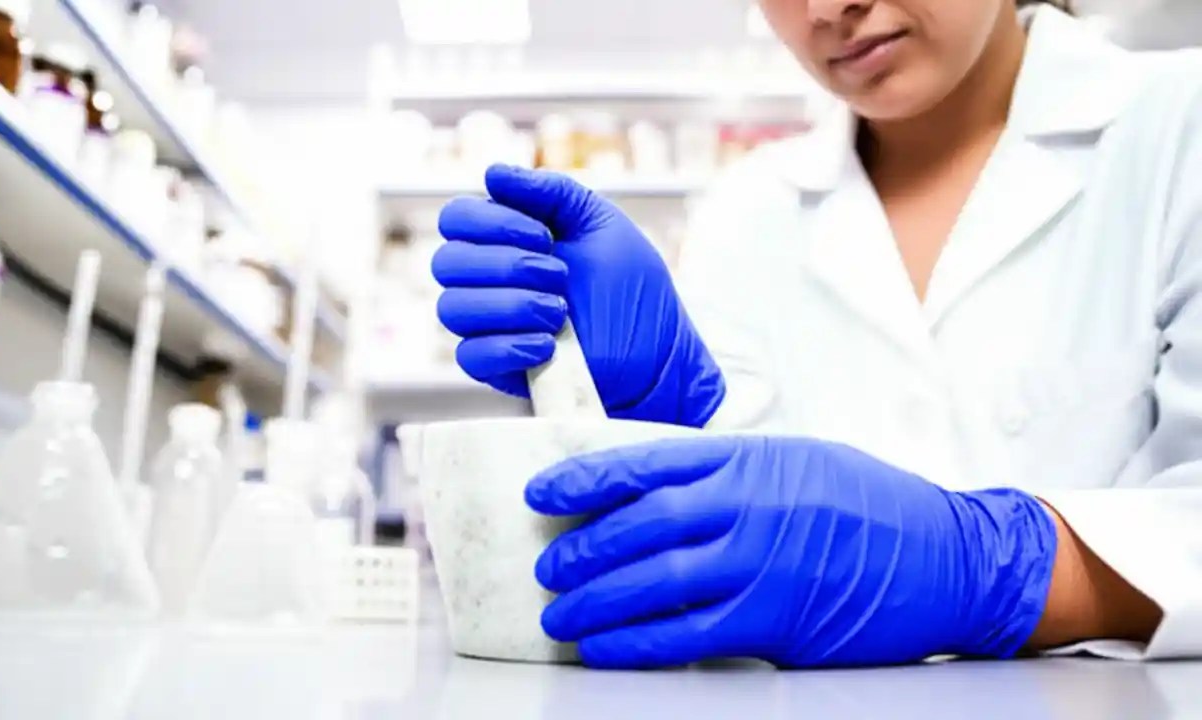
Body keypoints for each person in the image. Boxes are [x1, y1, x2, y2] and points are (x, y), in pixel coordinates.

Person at [430, 0, 1202, 669]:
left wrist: (997, 569)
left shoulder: (1178, 126)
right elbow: (730, 556)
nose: (827, 10)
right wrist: (646, 411)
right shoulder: (745, 214)